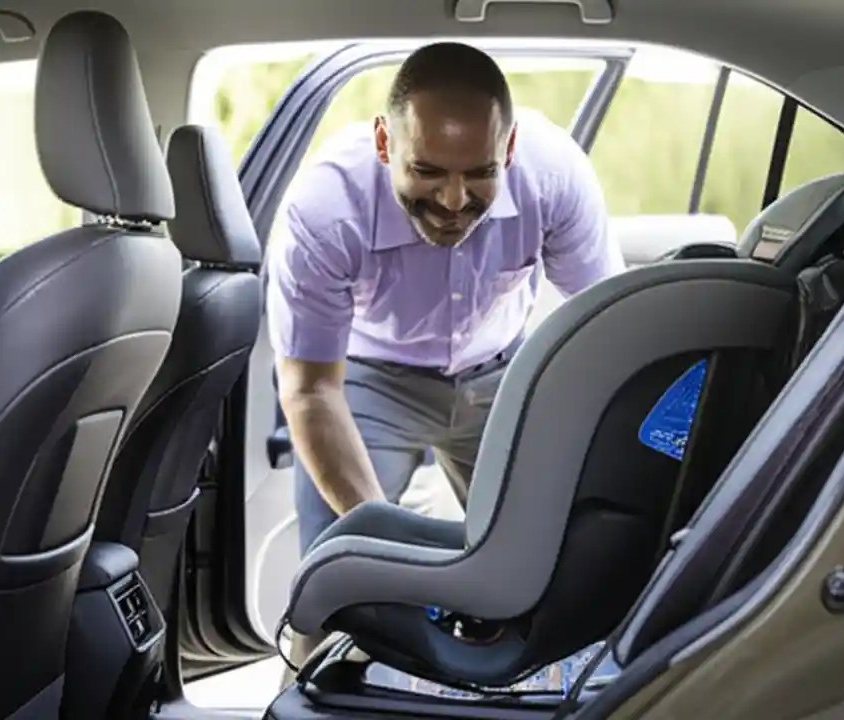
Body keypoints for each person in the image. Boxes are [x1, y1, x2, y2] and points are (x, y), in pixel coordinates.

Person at [266, 41, 625, 678]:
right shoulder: (323, 209)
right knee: (338, 582)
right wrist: (389, 555)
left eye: (479, 174)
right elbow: (311, 391)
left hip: (501, 373)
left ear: (508, 150)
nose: (455, 200)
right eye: (428, 172)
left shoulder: (553, 176)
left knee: (546, 574)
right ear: (385, 144)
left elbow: (611, 326)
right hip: (366, 384)